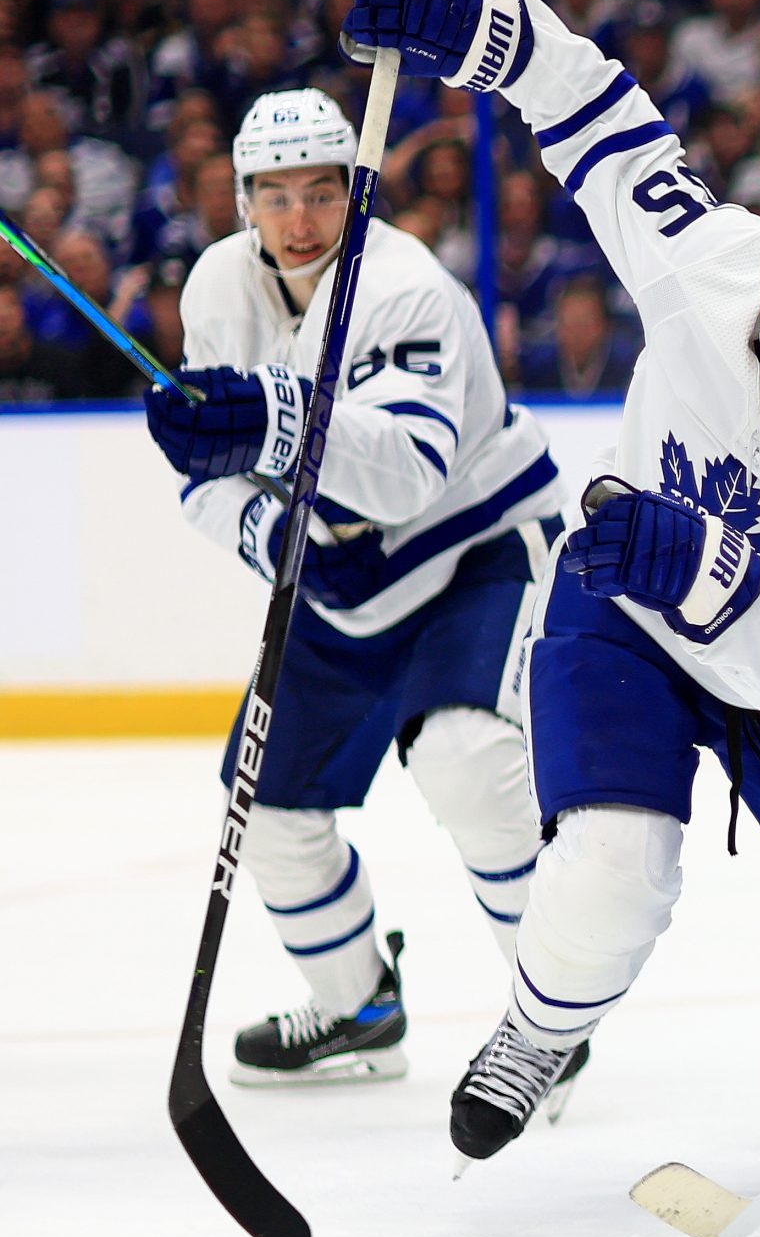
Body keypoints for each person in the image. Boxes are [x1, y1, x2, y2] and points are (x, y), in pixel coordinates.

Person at [341, 0, 760, 1181]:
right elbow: (597, 116)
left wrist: (699, 561)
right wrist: (475, 21)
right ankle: (541, 1031)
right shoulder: (711, 266)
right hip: (623, 614)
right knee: (613, 865)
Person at [139, 88, 564, 1089]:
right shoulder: (217, 287)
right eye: (275, 195)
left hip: (475, 547)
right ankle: (356, 1006)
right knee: (267, 810)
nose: (299, 219)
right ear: (242, 198)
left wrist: (271, 413)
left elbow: (410, 470)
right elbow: (210, 485)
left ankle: (552, 1015)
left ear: (357, 193)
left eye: (322, 193)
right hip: (341, 577)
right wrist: (267, 527)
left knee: (467, 762)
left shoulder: (406, 289)